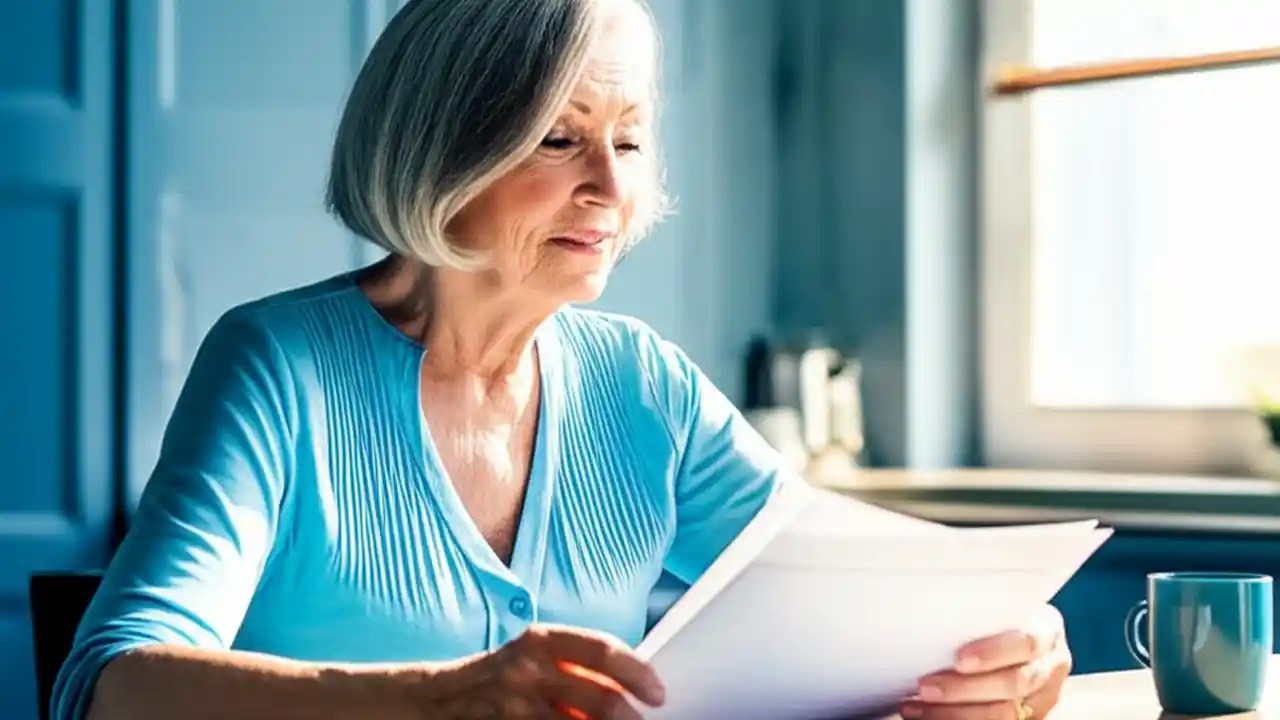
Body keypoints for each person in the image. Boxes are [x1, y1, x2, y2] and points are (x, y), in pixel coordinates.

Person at [52, 0, 1072, 718]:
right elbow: (111, 687)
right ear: (442, 149)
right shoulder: (277, 365)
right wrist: (440, 700)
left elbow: (858, 581)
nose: (606, 187)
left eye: (627, 143)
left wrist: (1007, 640)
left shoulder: (642, 385)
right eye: (555, 139)